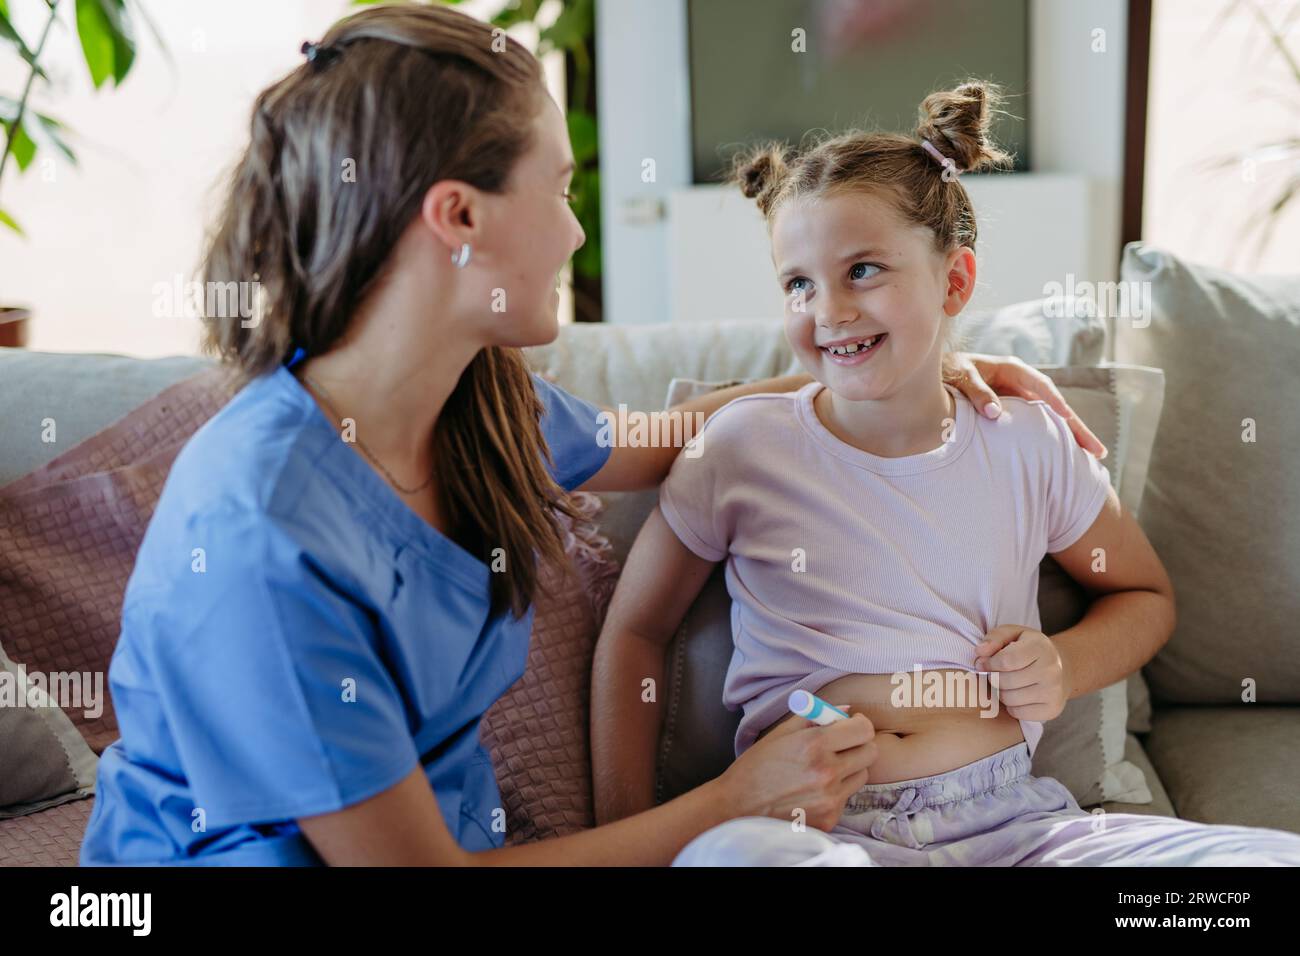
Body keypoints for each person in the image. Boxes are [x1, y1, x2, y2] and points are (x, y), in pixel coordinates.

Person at [79, 7, 1103, 866]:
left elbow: (656, 434)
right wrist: (731, 798)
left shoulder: (480, 401)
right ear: (458, 217)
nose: (575, 231)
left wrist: (891, 367)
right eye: (560, 189)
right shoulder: (265, 531)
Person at [592, 80, 1300, 866]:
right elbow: (635, 632)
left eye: (863, 270)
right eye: (798, 283)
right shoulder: (738, 448)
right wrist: (626, 836)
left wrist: (1066, 664)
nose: (828, 310)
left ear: (955, 281)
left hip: (1019, 828)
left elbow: (1144, 595)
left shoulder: (1026, 438)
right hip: (814, 830)